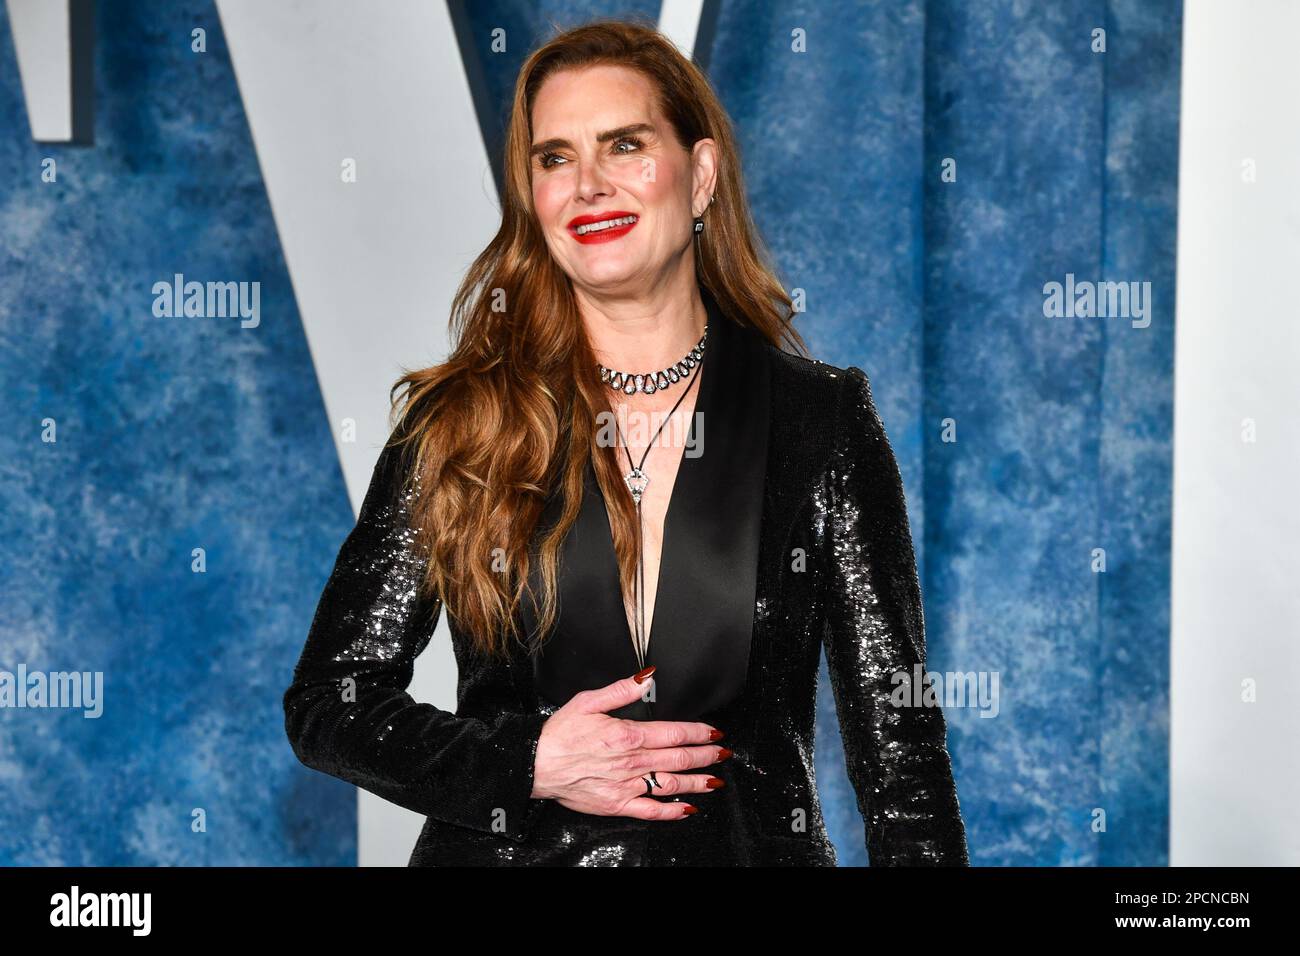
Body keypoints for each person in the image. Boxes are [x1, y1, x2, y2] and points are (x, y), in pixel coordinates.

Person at [283, 18, 969, 867]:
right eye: (555, 158)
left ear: (701, 175)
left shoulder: (820, 422)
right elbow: (331, 701)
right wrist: (525, 761)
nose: (588, 186)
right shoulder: (460, 422)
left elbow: (899, 753)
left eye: (625, 145)